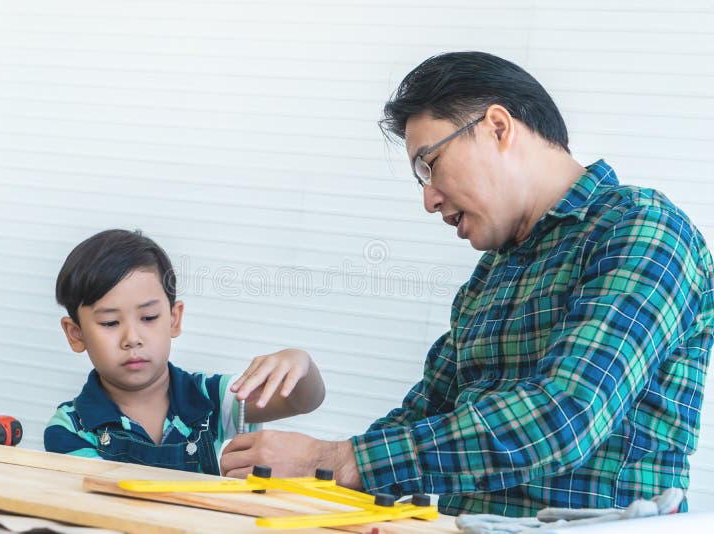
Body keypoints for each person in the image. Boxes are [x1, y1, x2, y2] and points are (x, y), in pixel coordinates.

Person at [220, 51, 714, 516]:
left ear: (497, 127)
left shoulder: (643, 230)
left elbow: (562, 417)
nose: (429, 200)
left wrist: (334, 459)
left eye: (428, 166)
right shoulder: (491, 276)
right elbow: (423, 415)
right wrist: (306, 475)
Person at [44, 229, 325, 474]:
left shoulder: (213, 398)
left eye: (149, 317)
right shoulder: (70, 429)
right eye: (110, 323)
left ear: (174, 319)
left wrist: (301, 364)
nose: (132, 338)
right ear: (76, 334)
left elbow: (304, 401)